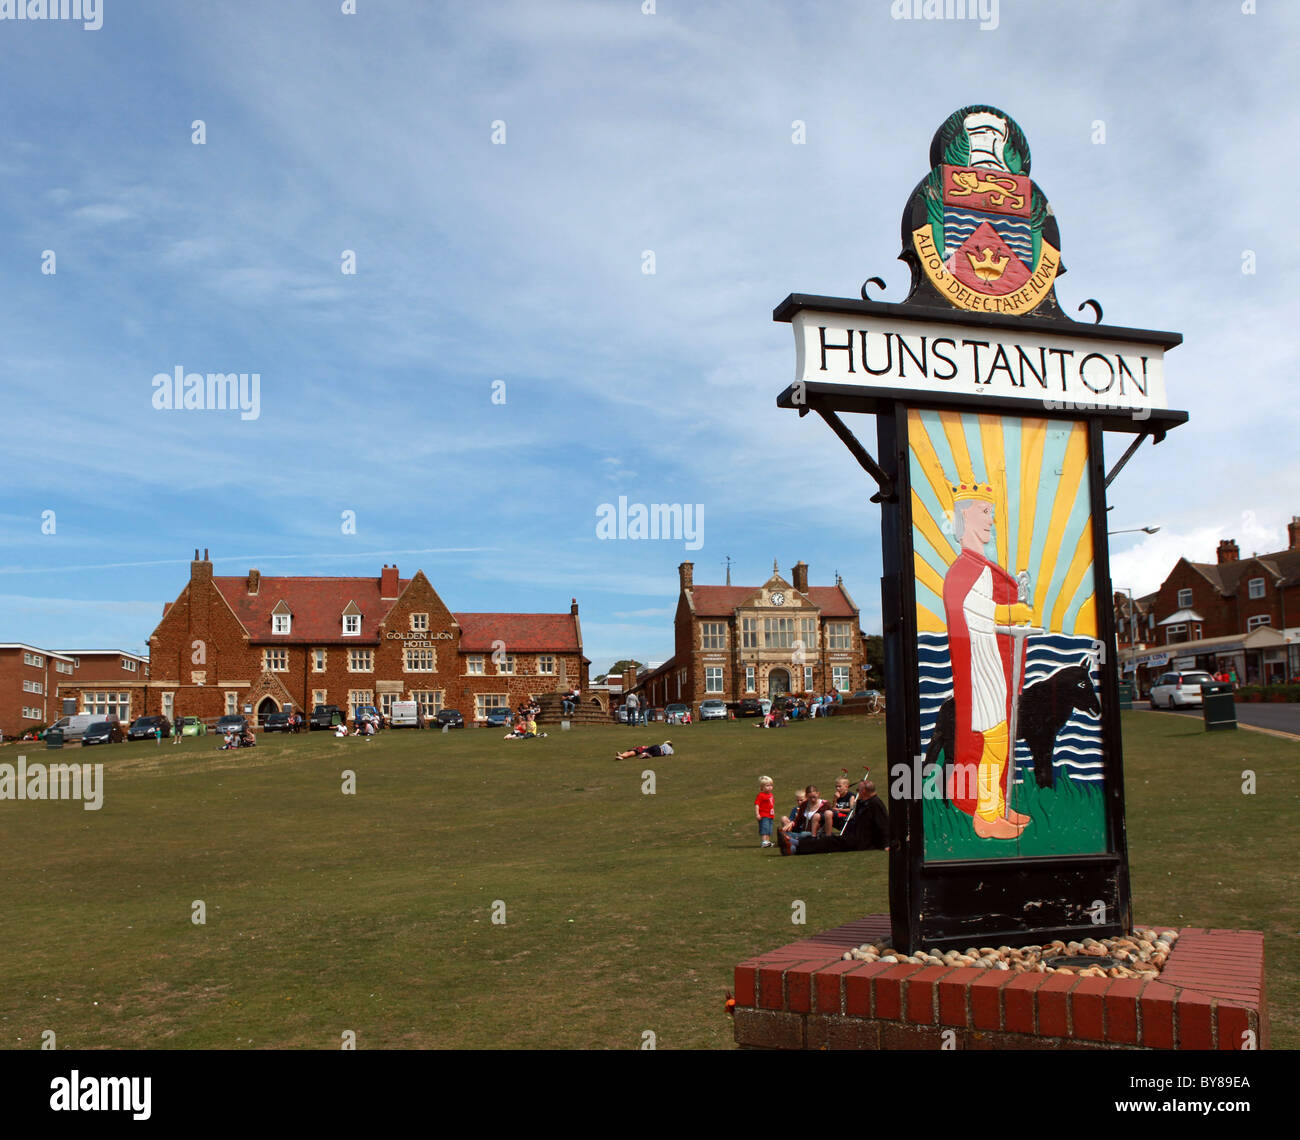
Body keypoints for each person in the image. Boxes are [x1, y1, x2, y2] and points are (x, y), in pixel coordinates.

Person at [942, 480, 1032, 841]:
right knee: (992, 740)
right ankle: (985, 815)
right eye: (984, 512)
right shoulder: (964, 569)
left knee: (999, 738)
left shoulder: (976, 567)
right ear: (965, 515)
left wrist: (1011, 615)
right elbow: (972, 609)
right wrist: (1011, 611)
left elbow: (982, 611)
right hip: (978, 666)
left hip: (989, 660)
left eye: (991, 513)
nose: (990, 520)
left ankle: (997, 807)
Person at [781, 780, 888, 855]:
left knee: (831, 842)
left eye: (858, 790)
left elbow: (884, 825)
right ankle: (794, 843)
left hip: (860, 841)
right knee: (830, 837)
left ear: (864, 791)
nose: (857, 792)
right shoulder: (864, 802)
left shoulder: (875, 804)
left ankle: (795, 847)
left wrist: (886, 844)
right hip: (853, 833)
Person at [755, 776, 776, 848]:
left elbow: (771, 805)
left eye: (771, 785)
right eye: (767, 786)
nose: (770, 787)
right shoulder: (761, 795)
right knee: (765, 828)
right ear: (762, 787)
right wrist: (757, 814)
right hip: (764, 815)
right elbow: (757, 805)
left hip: (770, 815)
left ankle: (768, 841)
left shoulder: (771, 795)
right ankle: (764, 841)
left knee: (769, 829)